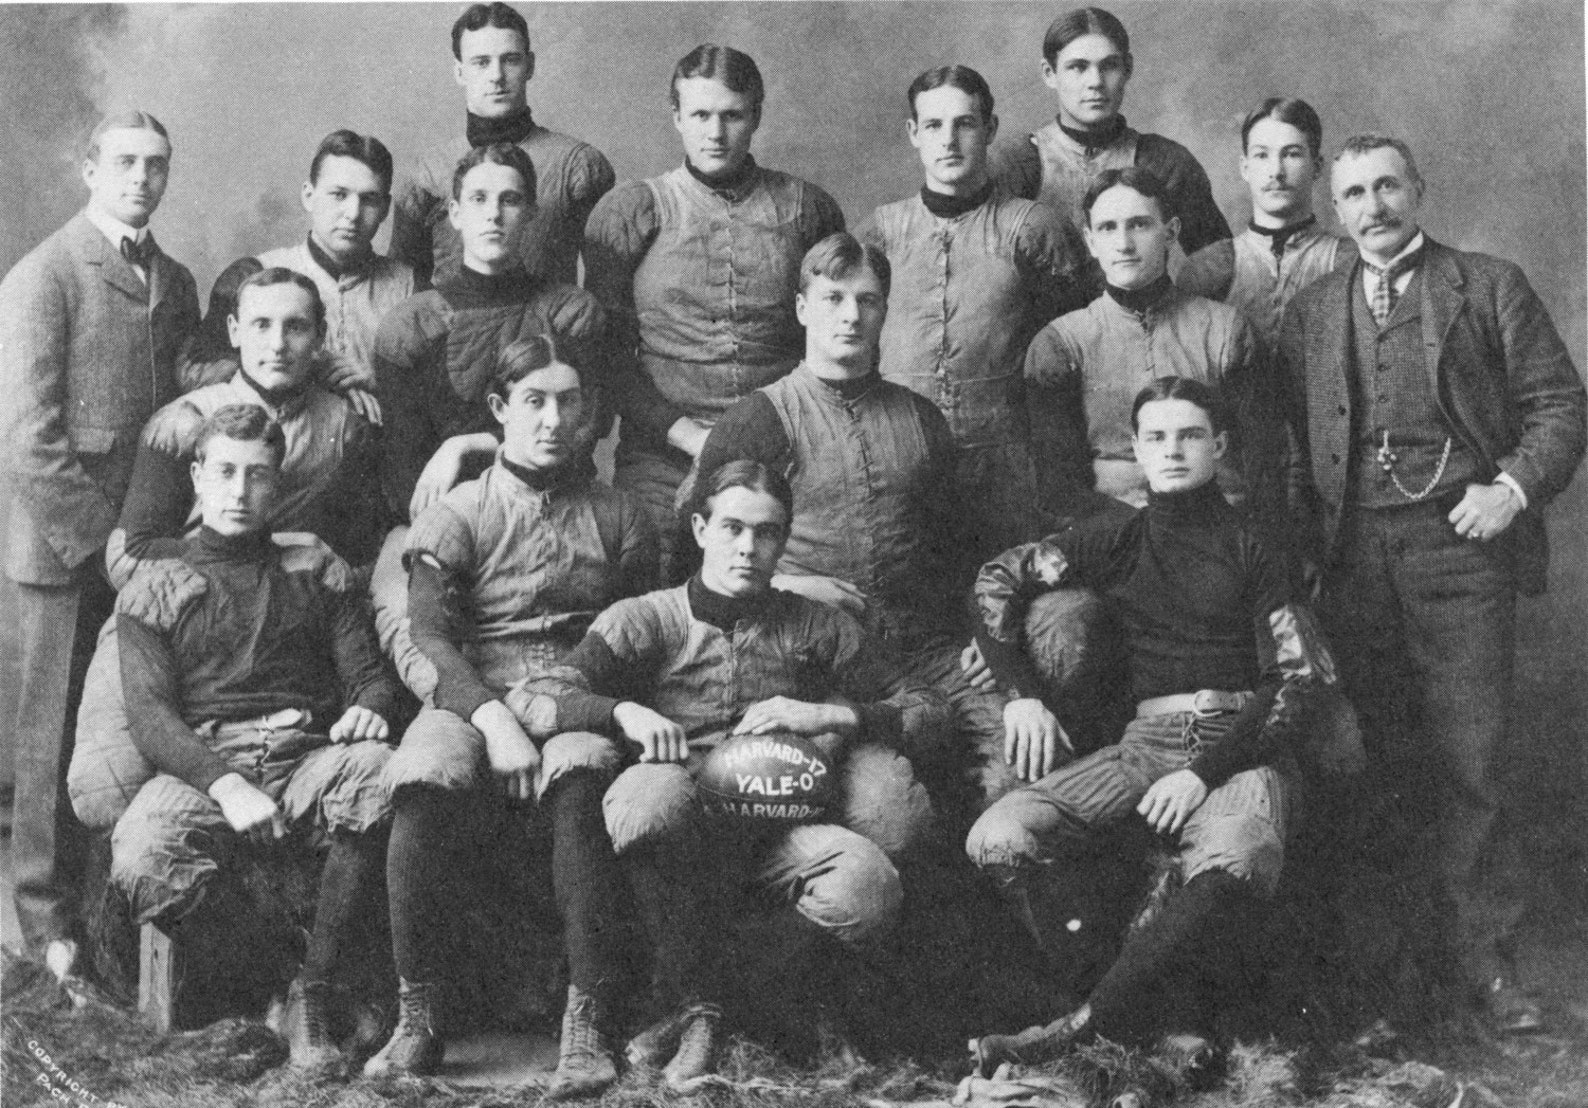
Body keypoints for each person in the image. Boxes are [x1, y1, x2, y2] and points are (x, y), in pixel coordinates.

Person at [1279, 135, 1586, 1032]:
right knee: (1371, 766)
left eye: (1388, 187)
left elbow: (1561, 408)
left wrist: (1511, 490)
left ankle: (1488, 975)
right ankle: (1390, 980)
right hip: (1352, 567)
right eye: (1355, 194)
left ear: (1419, 189)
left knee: (1470, 762)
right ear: (1335, 209)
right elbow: (1297, 453)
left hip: (1461, 555)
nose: (1373, 206)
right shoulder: (1311, 308)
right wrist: (1302, 566)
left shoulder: (1488, 285)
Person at [521, 461, 941, 1089]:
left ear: (784, 540)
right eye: (733, 528)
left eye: (768, 533)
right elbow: (537, 696)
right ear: (699, 528)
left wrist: (830, 713)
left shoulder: (816, 623)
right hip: (680, 829)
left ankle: (709, 1014)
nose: (749, 548)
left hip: (776, 823)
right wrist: (624, 711)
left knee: (867, 884)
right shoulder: (646, 618)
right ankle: (698, 1014)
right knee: (646, 802)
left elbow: (927, 708)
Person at [963, 377, 1335, 1068]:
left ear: (1219, 446)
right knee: (999, 837)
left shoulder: (1257, 546)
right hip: (1141, 748)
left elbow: (1294, 681)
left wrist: (1202, 775)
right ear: (1134, 448)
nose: (1172, 450)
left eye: (1190, 435)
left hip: (1239, 750)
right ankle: (1143, 1016)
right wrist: (1021, 693)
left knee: (1238, 856)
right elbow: (997, 580)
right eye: (1156, 437)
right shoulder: (1115, 541)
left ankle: (1076, 1030)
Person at [364, 336, 653, 1092]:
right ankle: (417, 1015)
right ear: (499, 409)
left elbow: (632, 633)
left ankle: (584, 1024)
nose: (553, 419)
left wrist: (566, 707)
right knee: (424, 773)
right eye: (534, 401)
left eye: (569, 402)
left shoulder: (621, 517)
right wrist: (492, 718)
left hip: (576, 689)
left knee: (582, 770)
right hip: (469, 688)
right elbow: (429, 636)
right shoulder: (459, 513)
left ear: (591, 414)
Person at [108, 404, 400, 1075]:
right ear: (197, 476)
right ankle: (278, 976)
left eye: (258, 476)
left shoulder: (312, 568)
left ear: (278, 483)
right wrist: (227, 783)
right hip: (206, 762)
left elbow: (368, 677)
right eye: (226, 473)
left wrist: (371, 711)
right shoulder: (154, 584)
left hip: (306, 755)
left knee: (381, 776)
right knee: (143, 854)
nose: (240, 492)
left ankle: (315, 994)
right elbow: (152, 718)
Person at [696, 233, 1015, 808]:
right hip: (814, 665)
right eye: (833, 299)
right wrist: (784, 584)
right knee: (888, 805)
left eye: (867, 301)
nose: (851, 316)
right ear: (801, 308)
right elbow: (697, 555)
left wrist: (983, 642)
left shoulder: (921, 419)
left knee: (1017, 763)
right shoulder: (758, 419)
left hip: (924, 653)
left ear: (884, 311)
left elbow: (958, 550)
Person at [69, 269, 384, 833]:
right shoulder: (184, 420)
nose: (277, 343)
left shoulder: (343, 426)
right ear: (235, 331)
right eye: (261, 324)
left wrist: (298, 566)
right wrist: (241, 556)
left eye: (296, 327)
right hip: (174, 610)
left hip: (292, 610)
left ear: (319, 337)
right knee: (103, 783)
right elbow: (126, 554)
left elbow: (363, 553)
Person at [0, 110, 200, 984]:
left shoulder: (176, 279)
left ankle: (117, 920)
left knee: (128, 735)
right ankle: (47, 925)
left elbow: (191, 388)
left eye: (157, 165)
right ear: (89, 168)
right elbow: (28, 434)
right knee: (51, 743)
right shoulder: (44, 274)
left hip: (150, 548)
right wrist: (99, 550)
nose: (142, 178)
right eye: (124, 162)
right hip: (68, 554)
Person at [583, 44, 846, 577]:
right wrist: (690, 436)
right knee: (648, 578)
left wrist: (764, 437)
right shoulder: (632, 212)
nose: (715, 132)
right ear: (676, 116)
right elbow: (608, 357)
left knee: (798, 590)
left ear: (757, 117)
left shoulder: (807, 210)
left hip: (782, 447)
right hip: (663, 451)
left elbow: (832, 340)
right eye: (700, 115)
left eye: (732, 115)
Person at [371, 142, 610, 695]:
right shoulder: (412, 325)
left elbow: (576, 439)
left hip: (553, 514)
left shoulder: (570, 314)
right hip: (440, 529)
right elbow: (408, 477)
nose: (493, 214)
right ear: (454, 213)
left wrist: (468, 444)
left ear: (529, 213)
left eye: (509, 200)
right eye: (477, 199)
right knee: (419, 641)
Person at [859, 66, 1085, 562]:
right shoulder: (882, 231)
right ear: (913, 133)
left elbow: (1077, 349)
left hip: (1008, 467)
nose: (950, 141)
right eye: (934, 126)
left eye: (965, 124)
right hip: (902, 463)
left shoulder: (1034, 229)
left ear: (990, 129)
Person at [1023, 167, 1259, 523]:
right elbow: (1060, 488)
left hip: (1217, 535)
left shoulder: (1226, 331)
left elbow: (1262, 465)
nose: (1124, 244)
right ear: (1090, 242)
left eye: (1139, 225)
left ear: (1171, 232)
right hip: (1112, 540)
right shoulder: (1061, 345)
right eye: (1108, 228)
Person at [991, 6, 1233, 301]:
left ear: (1127, 69)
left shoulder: (1165, 161)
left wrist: (1176, 317)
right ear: (1049, 73)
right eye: (1078, 67)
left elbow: (1218, 257)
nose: (1095, 82)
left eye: (1109, 66)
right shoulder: (1017, 163)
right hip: (1037, 337)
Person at [391, 2, 614, 290]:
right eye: (481, 62)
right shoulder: (427, 173)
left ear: (530, 65)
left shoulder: (576, 166)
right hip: (452, 333)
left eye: (510, 60)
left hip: (548, 331)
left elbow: (608, 283)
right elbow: (403, 287)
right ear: (459, 72)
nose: (496, 75)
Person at [1209, 98, 1348, 351]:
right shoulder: (1209, 269)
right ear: (1245, 167)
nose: (1276, 171)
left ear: (1317, 167)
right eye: (1262, 155)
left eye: (1292, 154)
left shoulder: (1349, 260)